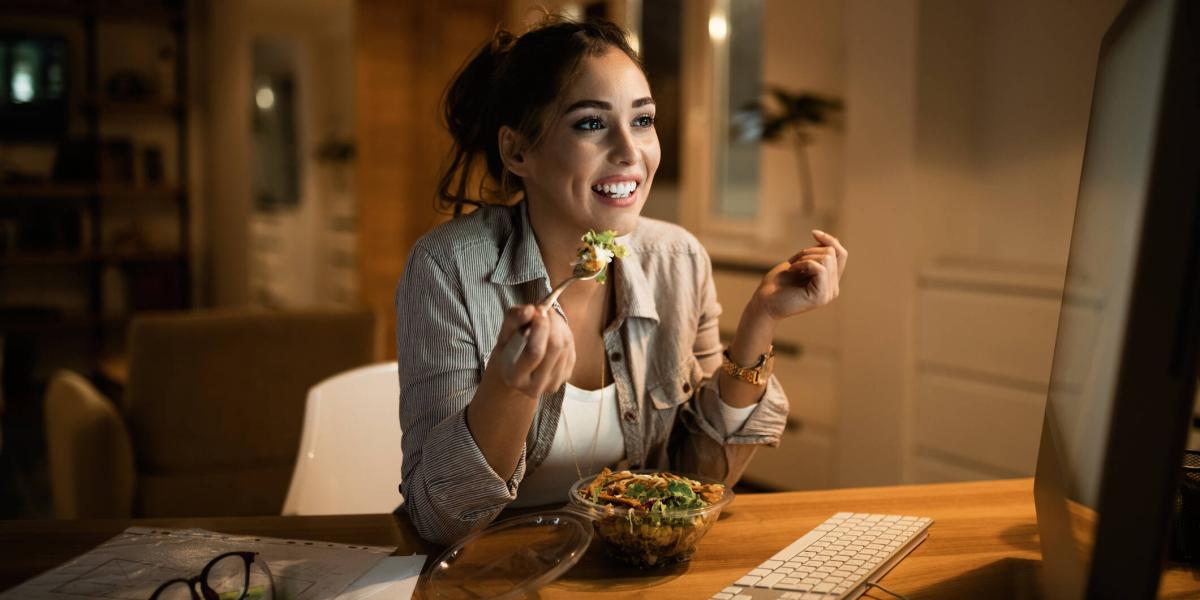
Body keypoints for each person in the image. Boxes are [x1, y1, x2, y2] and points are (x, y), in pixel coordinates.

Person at [395, 16, 848, 546]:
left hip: (625, 567)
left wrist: (760, 323)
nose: (631, 151)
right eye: (590, 123)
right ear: (518, 152)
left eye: (643, 120)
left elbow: (698, 485)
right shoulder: (446, 268)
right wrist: (510, 388)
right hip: (487, 570)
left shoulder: (678, 259)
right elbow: (439, 520)